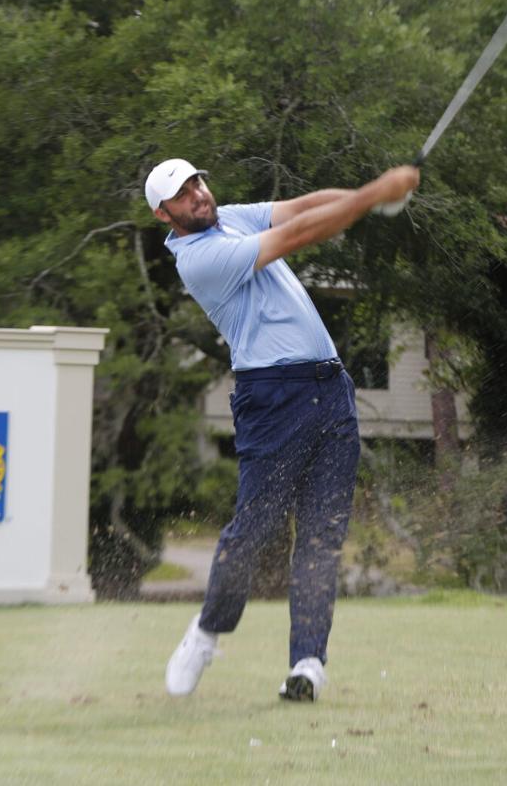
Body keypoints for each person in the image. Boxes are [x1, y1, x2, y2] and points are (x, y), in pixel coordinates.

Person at [148, 156, 419, 702]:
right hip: (273, 399)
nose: (198, 194)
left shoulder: (232, 218)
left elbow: (302, 206)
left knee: (322, 536)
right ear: (164, 214)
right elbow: (299, 233)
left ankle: (306, 664)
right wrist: (374, 195)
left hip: (331, 390)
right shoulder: (200, 257)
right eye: (183, 193)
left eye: (199, 181)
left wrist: (375, 192)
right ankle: (206, 632)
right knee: (254, 530)